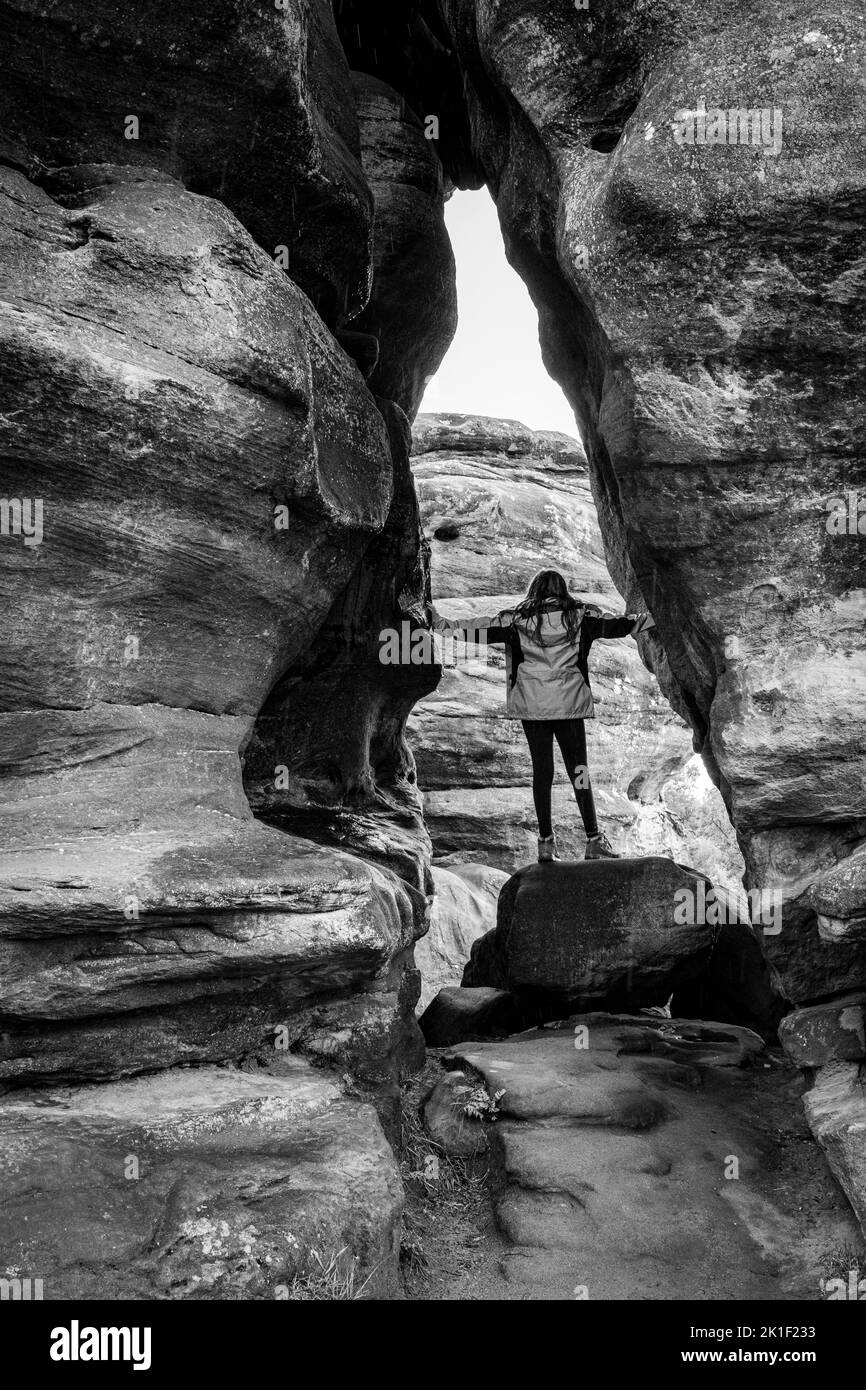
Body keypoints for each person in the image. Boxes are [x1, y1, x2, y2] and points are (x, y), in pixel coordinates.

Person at [435, 569, 655, 863]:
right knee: (579, 772)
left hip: (533, 707)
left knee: (543, 772)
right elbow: (622, 625)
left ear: (534, 590)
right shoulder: (581, 616)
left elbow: (471, 630)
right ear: (563, 590)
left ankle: (546, 845)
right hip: (569, 705)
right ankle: (593, 841)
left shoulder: (514, 620)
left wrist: (439, 623)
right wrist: (660, 614)